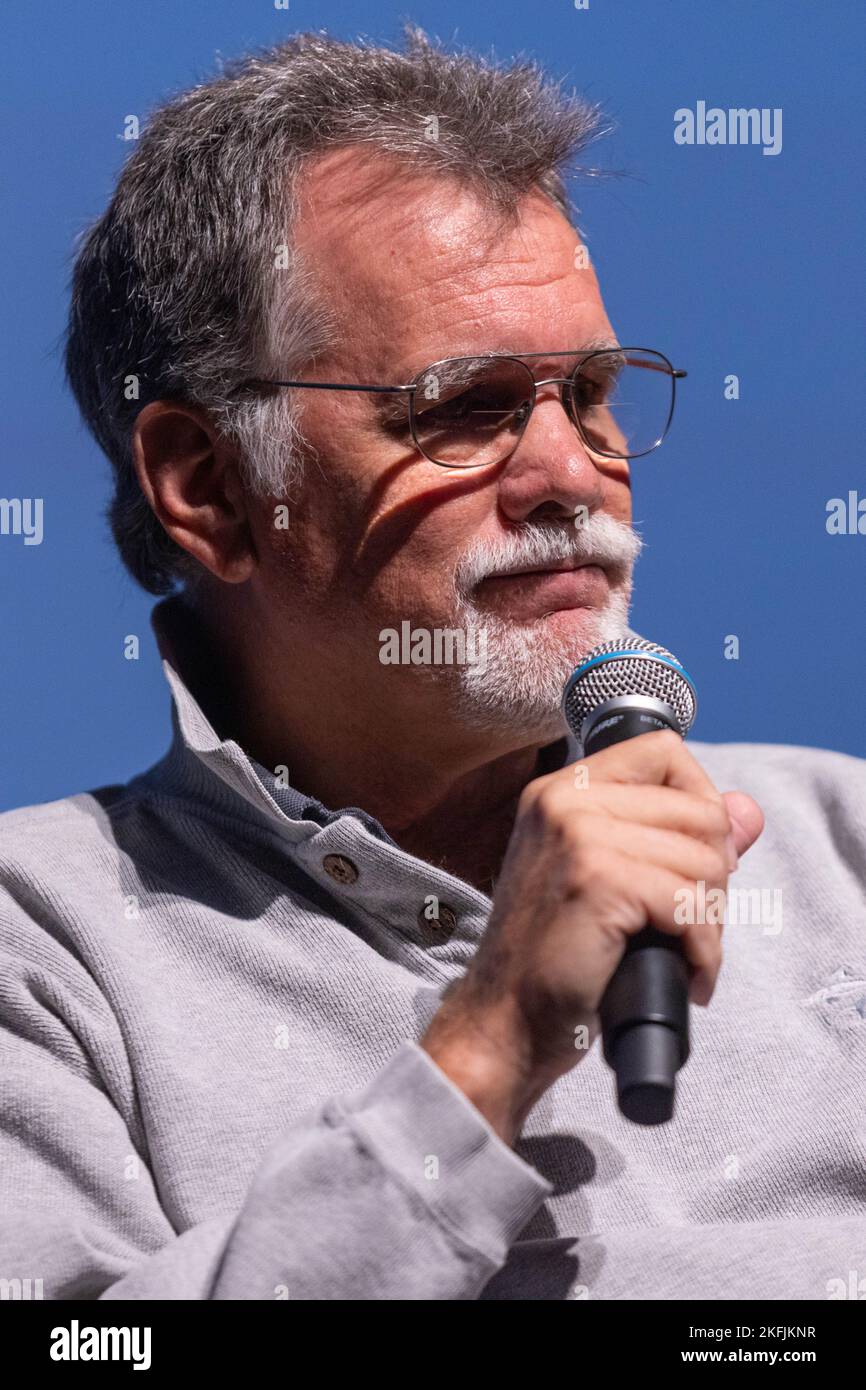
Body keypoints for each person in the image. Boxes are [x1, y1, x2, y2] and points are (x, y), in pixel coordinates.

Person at [1, 28, 864, 1302]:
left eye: (588, 391)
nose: (568, 474)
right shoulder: (45, 950)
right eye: (462, 406)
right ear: (211, 488)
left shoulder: (839, 847)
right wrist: (488, 1046)